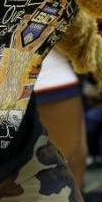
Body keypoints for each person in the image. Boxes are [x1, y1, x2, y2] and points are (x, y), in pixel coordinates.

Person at [34, 49, 88, 188]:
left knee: (76, 158)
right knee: (64, 163)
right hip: (48, 78)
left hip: (48, 76)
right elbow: (74, 36)